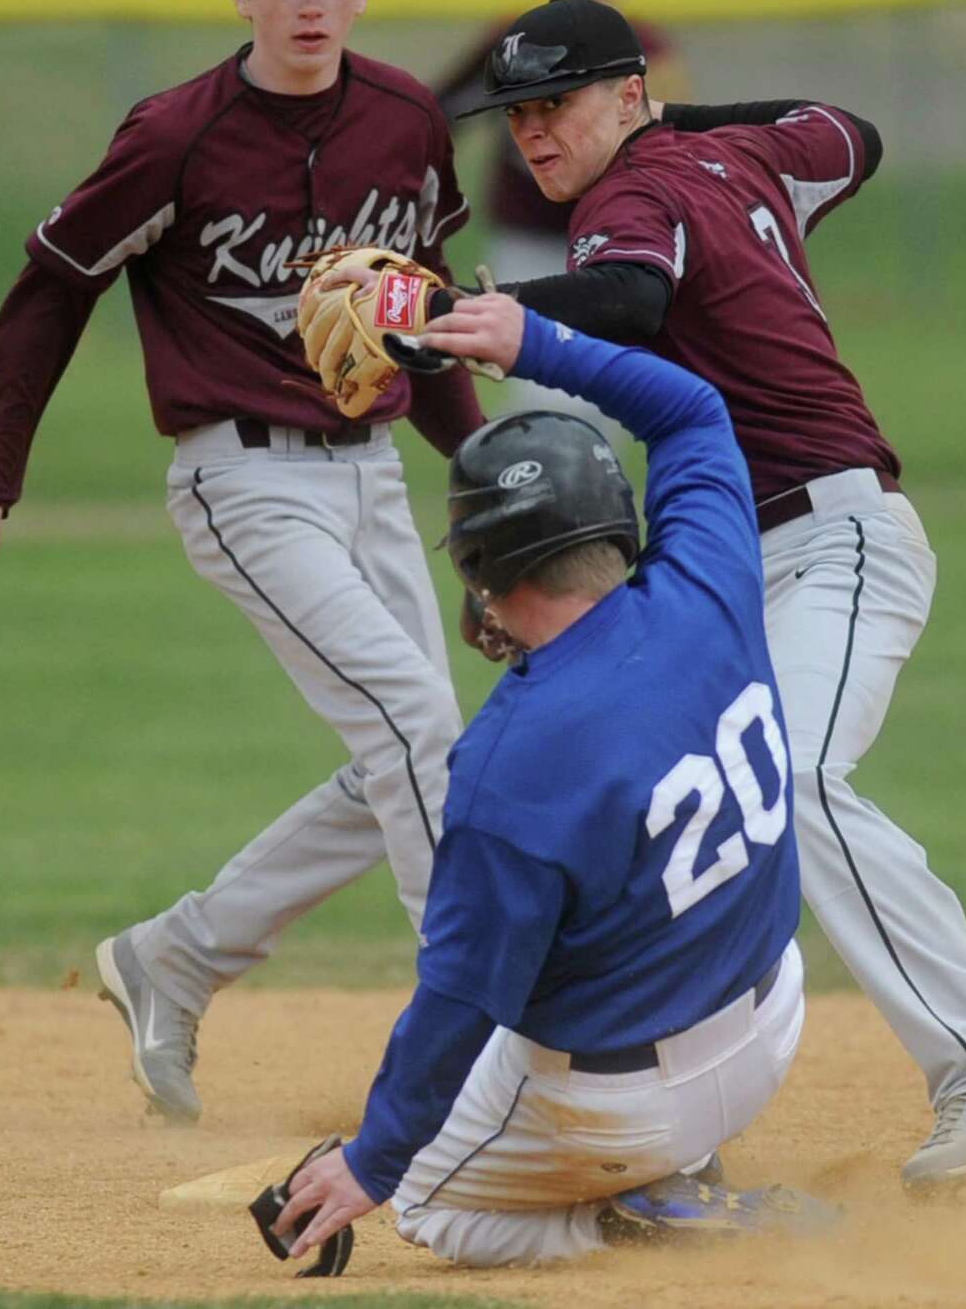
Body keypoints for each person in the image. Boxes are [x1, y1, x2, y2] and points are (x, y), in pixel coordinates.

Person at [450, 0, 966, 1189]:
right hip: (738, 557)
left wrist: (497, 322)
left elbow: (627, 299)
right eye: (516, 110)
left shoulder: (629, 199)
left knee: (791, 779)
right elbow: (853, 132)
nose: (530, 131)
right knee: (672, 802)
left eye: (555, 101)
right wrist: (692, 118)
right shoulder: (746, 153)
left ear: (627, 94)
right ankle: (664, 1127)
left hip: (837, 538)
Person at [0, 0, 484, 1124]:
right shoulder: (176, 134)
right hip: (244, 478)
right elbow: (50, 290)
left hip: (373, 470)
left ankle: (174, 957)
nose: (309, 0)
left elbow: (423, 316)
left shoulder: (407, 123)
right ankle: (480, 1043)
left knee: (419, 748)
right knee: (416, 722)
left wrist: (484, 463)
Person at [268, 294, 824, 1270]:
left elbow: (460, 994)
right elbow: (693, 408)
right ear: (610, 518)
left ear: (483, 569)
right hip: (774, 1019)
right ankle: (678, 1166)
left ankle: (639, 1211)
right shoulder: (709, 573)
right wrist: (533, 342)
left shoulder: (506, 761)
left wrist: (375, 1158)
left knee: (433, 1203)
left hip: (629, 1099)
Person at [434, 0, 685, 440]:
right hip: (528, 226)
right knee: (539, 379)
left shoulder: (645, 48)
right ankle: (534, 488)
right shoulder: (518, 39)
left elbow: (670, 146)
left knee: (604, 389)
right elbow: (445, 109)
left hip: (610, 235)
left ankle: (577, 495)